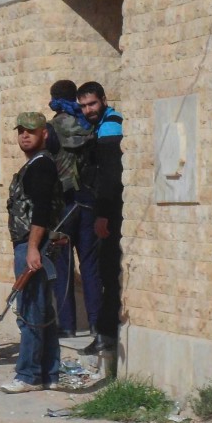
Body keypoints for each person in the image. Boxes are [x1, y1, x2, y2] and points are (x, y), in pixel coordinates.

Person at [0, 112, 63, 393]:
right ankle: (48, 373)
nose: (25, 135)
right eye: (21, 131)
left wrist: (33, 248)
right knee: (41, 309)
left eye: (31, 131)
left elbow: (41, 211)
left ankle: (28, 375)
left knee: (29, 311)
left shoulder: (41, 166)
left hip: (32, 245)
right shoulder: (36, 164)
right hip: (33, 245)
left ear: (44, 134)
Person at [46, 79, 100, 339]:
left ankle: (67, 325)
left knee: (63, 265)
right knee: (89, 264)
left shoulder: (50, 129)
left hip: (63, 206)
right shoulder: (88, 125)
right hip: (87, 202)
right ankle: (96, 323)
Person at [76, 81, 123, 357]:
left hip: (111, 211)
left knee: (107, 271)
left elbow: (110, 175)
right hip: (104, 208)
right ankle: (105, 333)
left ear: (103, 100)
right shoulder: (99, 125)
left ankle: (106, 334)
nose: (88, 110)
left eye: (92, 103)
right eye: (83, 106)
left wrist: (103, 214)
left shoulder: (110, 127)